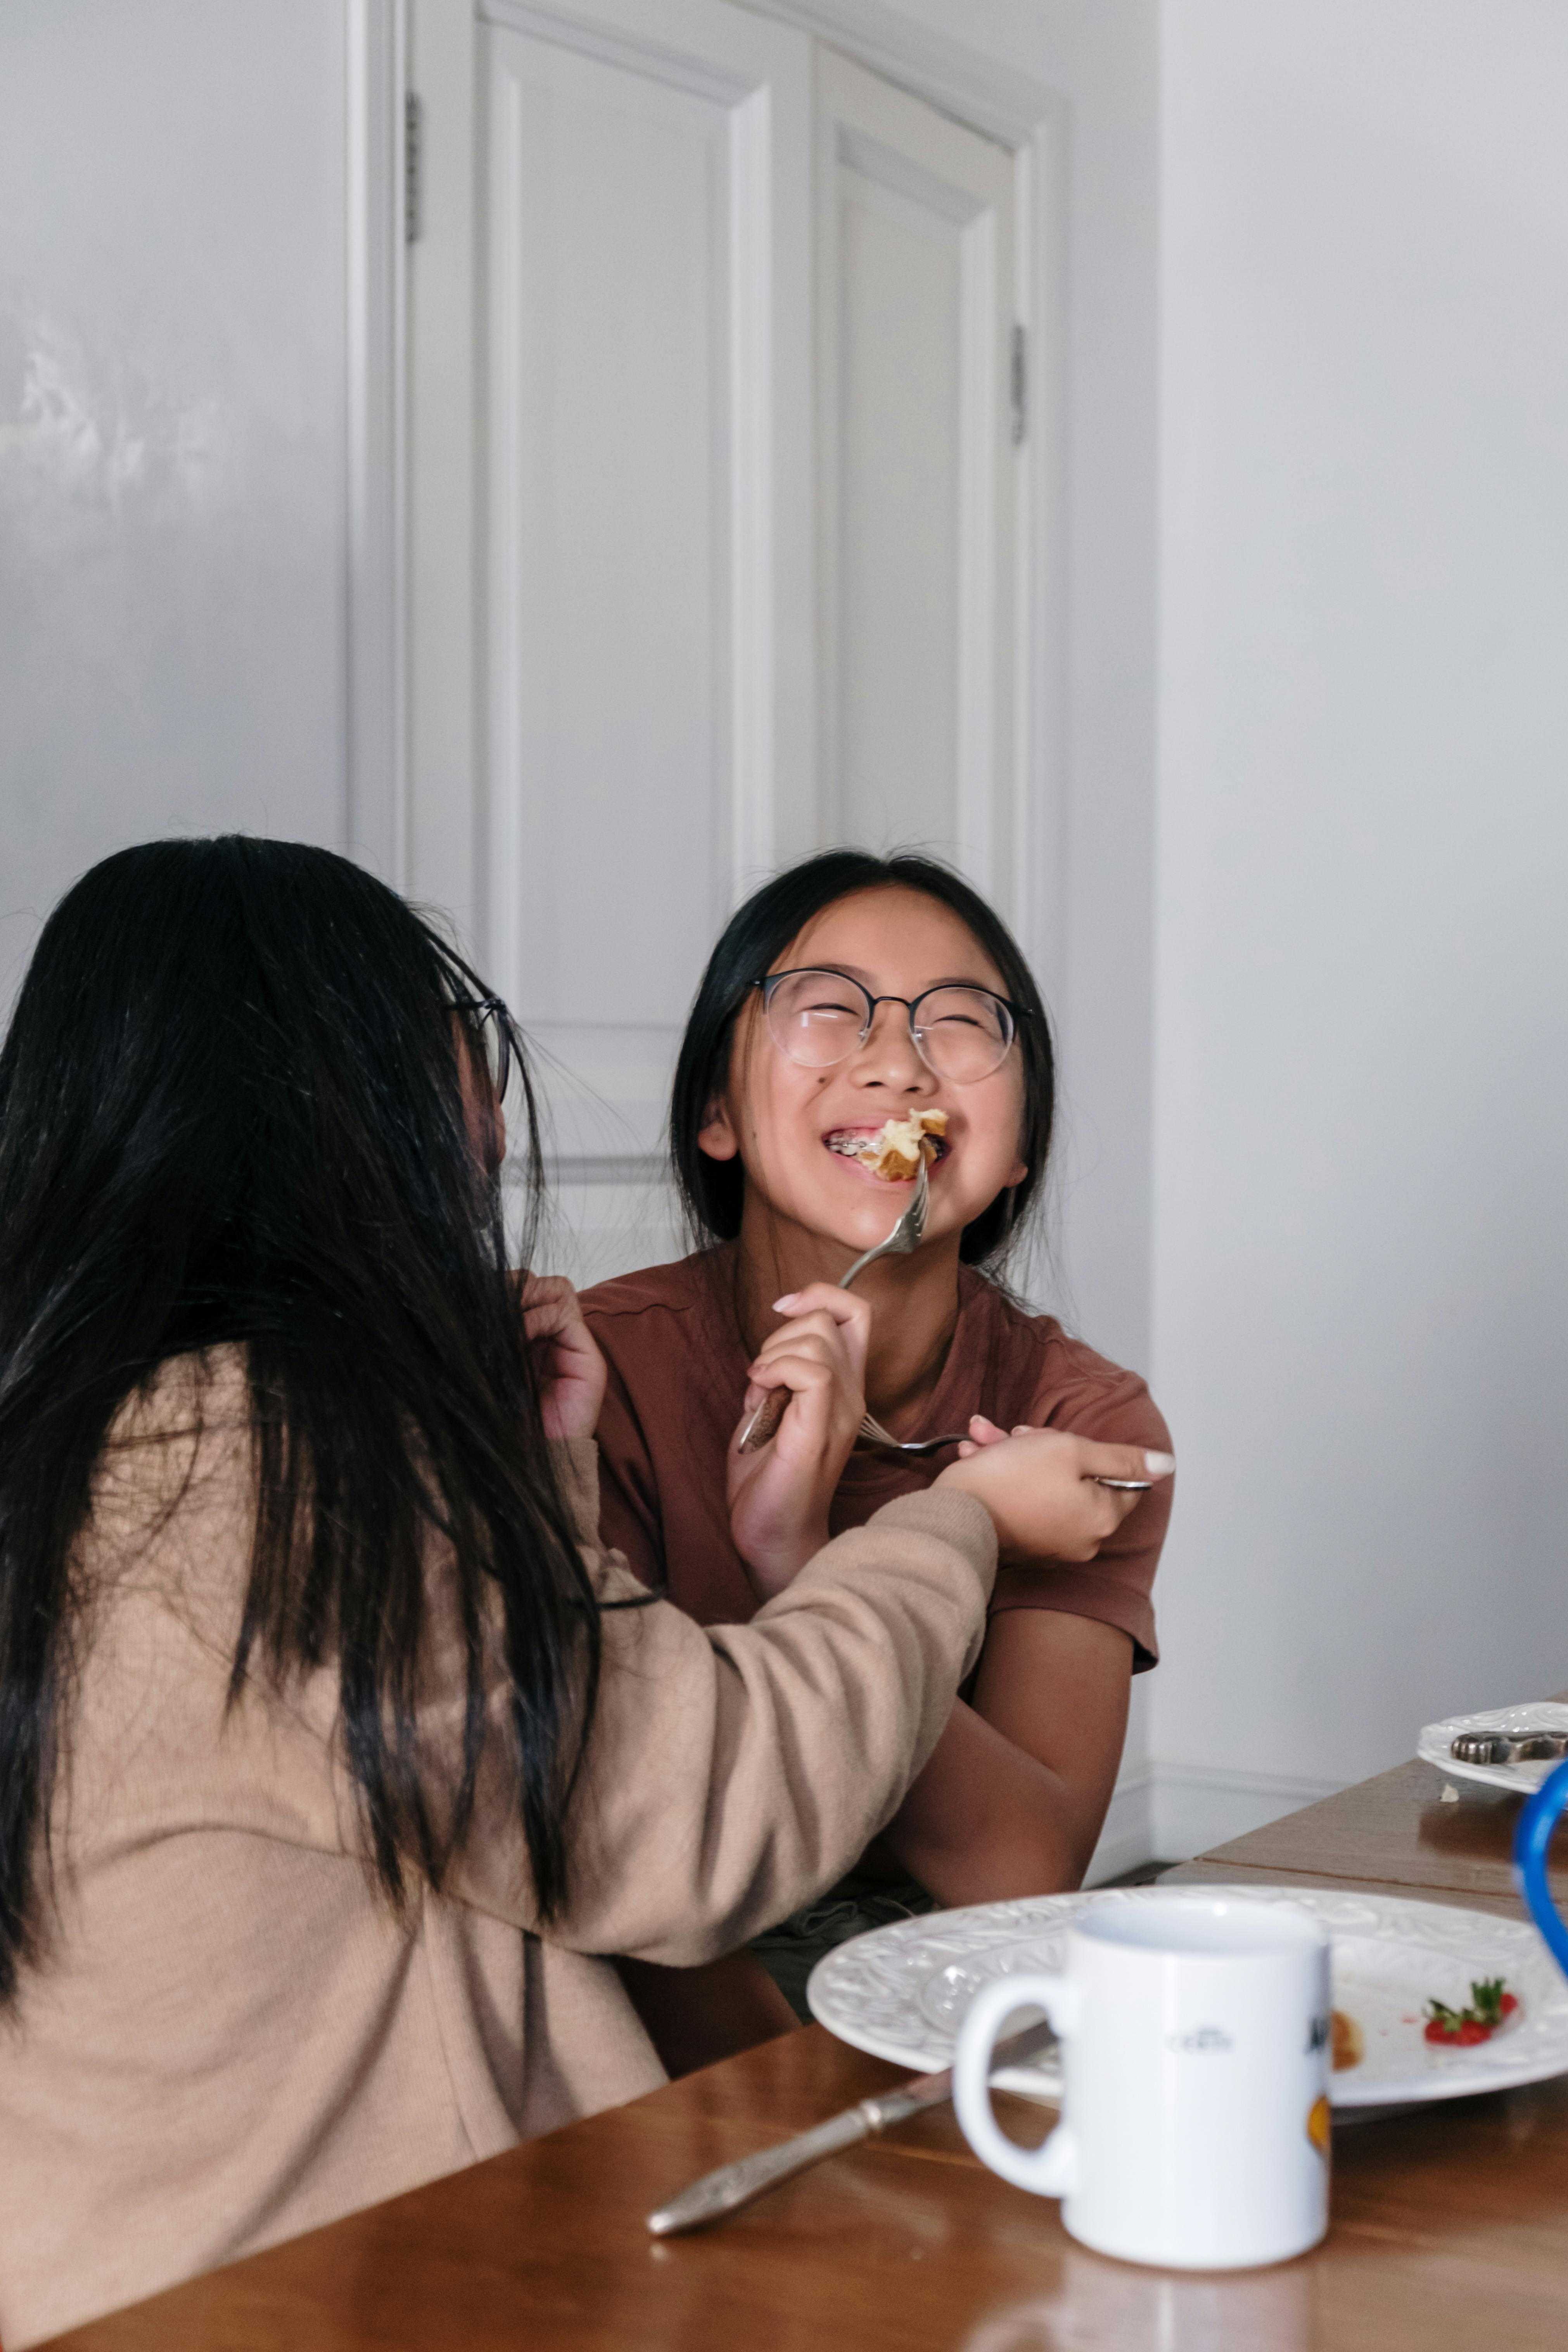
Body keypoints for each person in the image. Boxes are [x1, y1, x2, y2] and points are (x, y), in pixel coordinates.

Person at [0, 837, 1073, 2349]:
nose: (493, 1114)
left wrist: (526, 1483)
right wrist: (951, 1526)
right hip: (341, 2290)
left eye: (958, 1021)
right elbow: (694, 1808)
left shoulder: (101, 1436)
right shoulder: (283, 1469)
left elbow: (475, 1740)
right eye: (832, 1007)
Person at [582, 850, 1176, 2022]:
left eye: (959, 1021)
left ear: (1018, 1146)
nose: (898, 1062)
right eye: (825, 1008)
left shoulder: (1080, 1423)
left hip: (948, 1977)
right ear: (716, 1113)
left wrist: (798, 1556)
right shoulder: (591, 1383)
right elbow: (613, 1847)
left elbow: (1020, 1873)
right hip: (657, 1980)